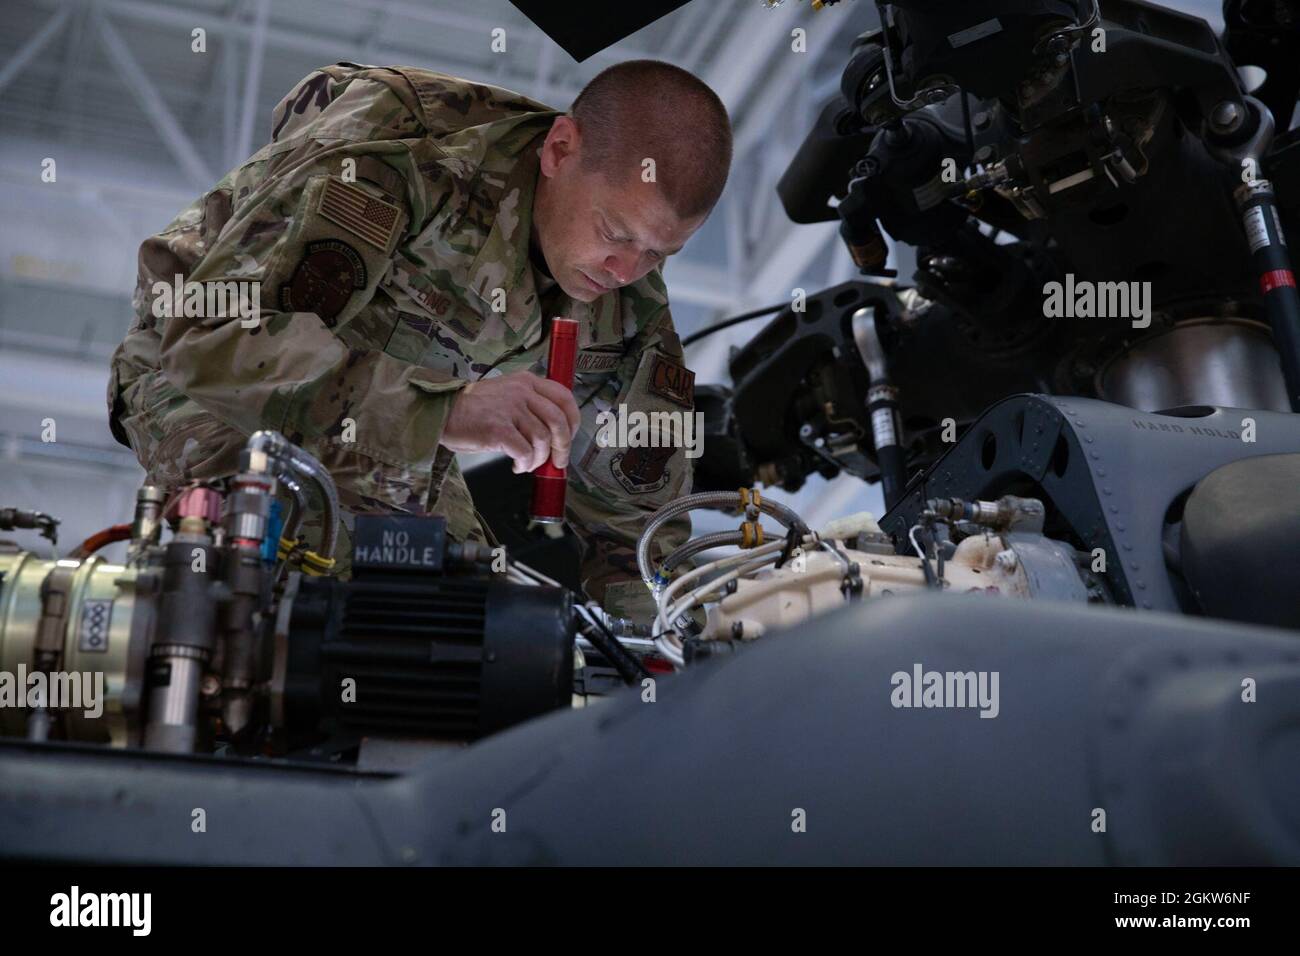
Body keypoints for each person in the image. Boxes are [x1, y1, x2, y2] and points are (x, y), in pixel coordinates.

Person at [106, 58, 733, 618]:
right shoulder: (404, 151)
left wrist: (672, 653)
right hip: (201, 375)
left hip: (386, 423)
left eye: (658, 253)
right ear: (560, 149)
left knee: (490, 624)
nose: (625, 271)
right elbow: (213, 338)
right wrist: (448, 410)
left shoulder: (633, 305)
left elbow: (638, 523)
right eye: (615, 232)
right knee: (321, 560)